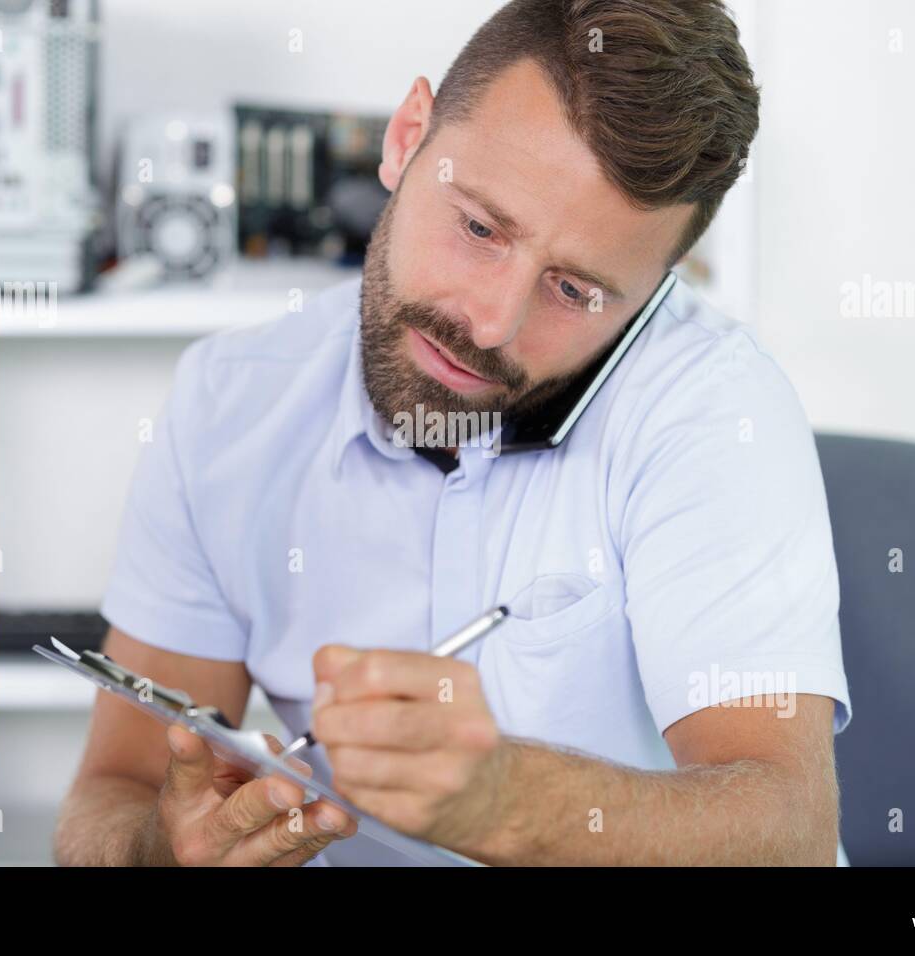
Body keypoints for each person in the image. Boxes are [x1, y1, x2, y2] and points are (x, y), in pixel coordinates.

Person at [55, 0, 852, 867]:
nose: (491, 323)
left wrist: (511, 804)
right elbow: (118, 783)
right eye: (479, 227)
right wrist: (163, 846)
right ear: (406, 138)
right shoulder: (231, 398)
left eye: (576, 291)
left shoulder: (714, 412)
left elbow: (791, 833)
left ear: (656, 290)